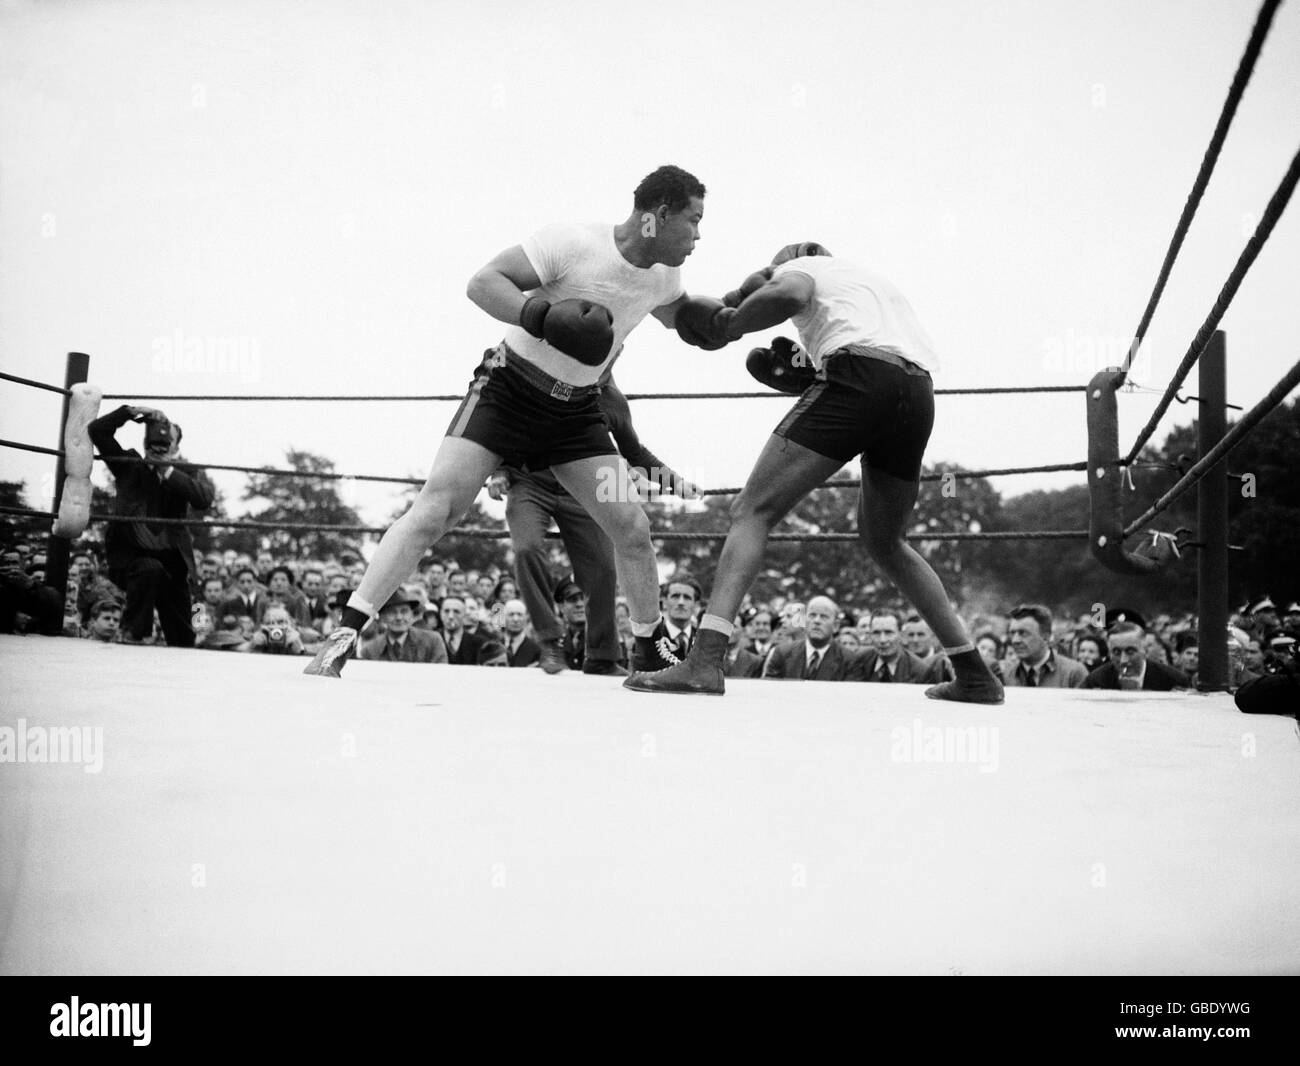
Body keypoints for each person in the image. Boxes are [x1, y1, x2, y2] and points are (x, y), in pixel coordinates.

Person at [305, 164, 710, 678]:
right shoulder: (573, 242)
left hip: (575, 414)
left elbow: (688, 319)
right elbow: (482, 283)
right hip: (509, 392)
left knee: (631, 526)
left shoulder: (665, 277)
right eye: (693, 221)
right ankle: (342, 637)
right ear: (659, 215)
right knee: (436, 509)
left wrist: (740, 315)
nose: (698, 236)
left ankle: (649, 649)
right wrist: (539, 316)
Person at [624, 243, 1002, 701]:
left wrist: (730, 324)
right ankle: (975, 673)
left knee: (751, 511)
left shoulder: (804, 267)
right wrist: (812, 375)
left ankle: (703, 662)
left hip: (859, 377)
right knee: (887, 541)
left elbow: (789, 294)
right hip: (917, 393)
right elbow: (864, 359)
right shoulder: (869, 282)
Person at [485, 374, 693, 676]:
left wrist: (675, 481)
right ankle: (549, 640)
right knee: (526, 548)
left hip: (582, 487)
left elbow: (634, 451)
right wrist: (500, 470)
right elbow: (506, 423)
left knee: (603, 568)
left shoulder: (611, 399)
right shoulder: (546, 370)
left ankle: (602, 656)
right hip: (530, 480)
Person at [86, 405, 214, 646]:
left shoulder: (185, 473)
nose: (160, 443)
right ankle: (134, 634)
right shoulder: (130, 465)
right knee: (149, 568)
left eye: (167, 439)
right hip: (132, 560)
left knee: (184, 638)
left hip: (172, 564)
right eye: (155, 437)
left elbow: (203, 499)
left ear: (176, 446)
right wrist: (131, 412)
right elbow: (98, 431)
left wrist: (167, 470)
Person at [760, 595, 864, 680]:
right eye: (812, 615)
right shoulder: (782, 654)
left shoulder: (849, 661)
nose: (817, 621)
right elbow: (769, 692)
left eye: (824, 617)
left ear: (836, 626)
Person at [1081, 622, 1191, 690]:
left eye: (1130, 651)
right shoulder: (1096, 681)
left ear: (1145, 651)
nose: (1123, 660)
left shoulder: (1172, 680)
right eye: (1117, 652)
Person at [1001, 604, 1087, 688]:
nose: (1015, 640)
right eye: (1012, 633)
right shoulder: (1006, 675)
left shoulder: (1073, 673)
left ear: (1046, 636)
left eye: (1023, 633)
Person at [359, 589, 448, 663]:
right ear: (382, 617)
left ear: (412, 615)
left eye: (404, 611)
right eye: (392, 612)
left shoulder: (432, 642)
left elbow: (440, 675)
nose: (399, 617)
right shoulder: (370, 650)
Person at [499, 599, 541, 667]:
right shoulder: (494, 645)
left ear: (526, 618)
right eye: (511, 614)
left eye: (520, 615)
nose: (516, 619)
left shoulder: (535, 650)